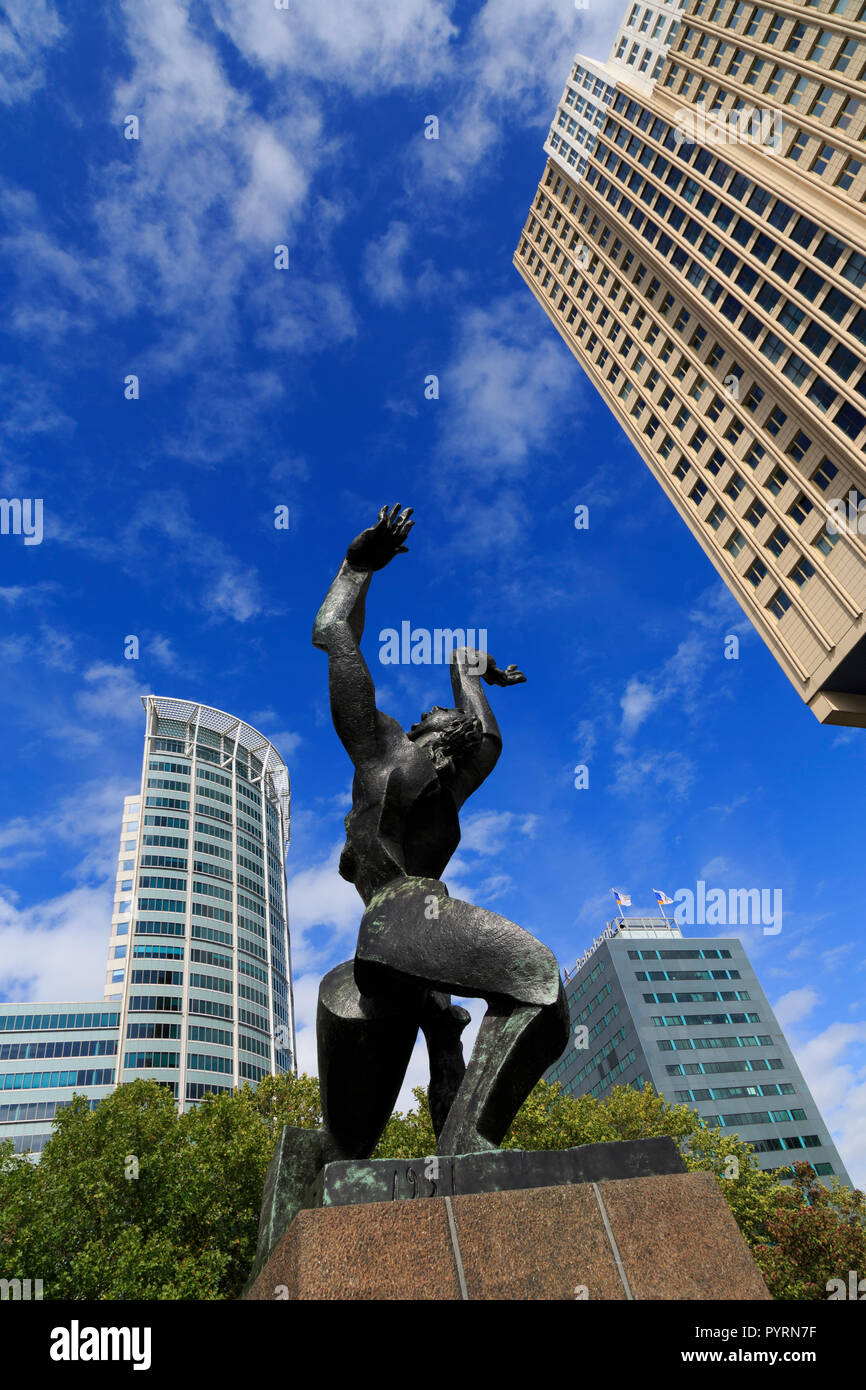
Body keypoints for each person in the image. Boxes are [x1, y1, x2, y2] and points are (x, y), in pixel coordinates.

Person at [312, 505, 569, 1157]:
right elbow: (334, 634)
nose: (429, 712)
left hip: (409, 935)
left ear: (444, 733)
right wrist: (357, 567)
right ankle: (466, 1152)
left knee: (358, 1138)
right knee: (537, 981)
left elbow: (478, 715)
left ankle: (455, 1157)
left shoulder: (447, 787)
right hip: (398, 920)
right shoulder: (379, 751)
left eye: (440, 712)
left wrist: (481, 674)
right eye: (433, 713)